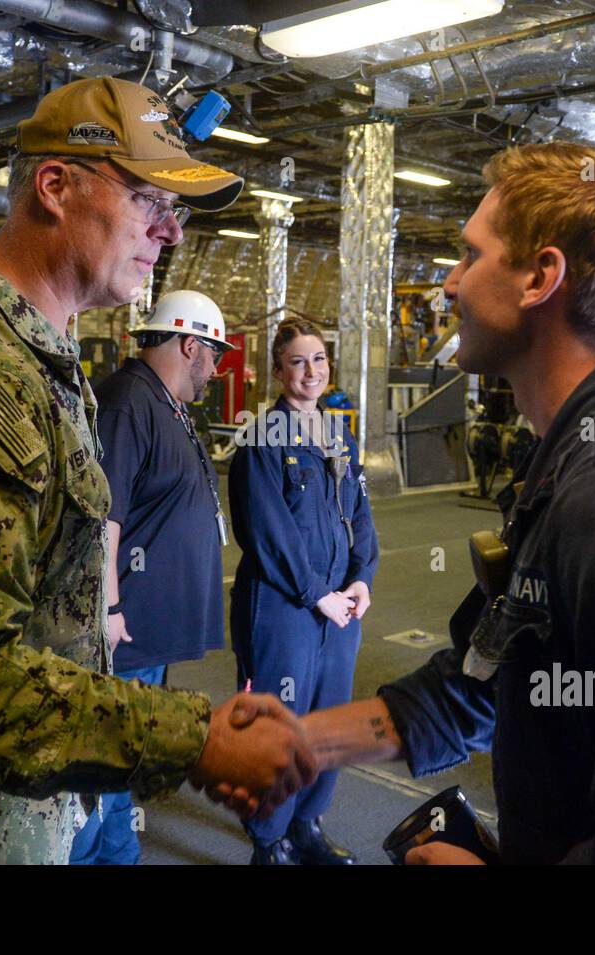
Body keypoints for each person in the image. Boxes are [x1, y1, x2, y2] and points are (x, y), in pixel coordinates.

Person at [0, 77, 316, 864]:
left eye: (174, 210)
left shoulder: (38, 357)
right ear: (55, 186)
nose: (170, 232)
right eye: (149, 200)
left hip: (7, 814)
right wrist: (193, 736)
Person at [295, 142, 595, 864]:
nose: (449, 284)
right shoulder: (574, 458)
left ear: (539, 276)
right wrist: (302, 744)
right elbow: (485, 671)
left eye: (470, 256)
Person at [67, 290, 231, 865]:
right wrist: (109, 612)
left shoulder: (167, 404)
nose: (216, 370)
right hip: (126, 629)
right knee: (106, 756)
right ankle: (104, 858)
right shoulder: (128, 404)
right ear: (191, 345)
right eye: (214, 356)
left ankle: (119, 854)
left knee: (125, 754)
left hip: (147, 629)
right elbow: (103, 521)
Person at [228, 318, 379, 864]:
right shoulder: (260, 439)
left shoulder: (340, 437)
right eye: (298, 361)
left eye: (318, 360)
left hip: (340, 609)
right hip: (284, 607)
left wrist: (362, 577)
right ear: (277, 371)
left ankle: (307, 823)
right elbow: (268, 532)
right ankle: (269, 841)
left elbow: (360, 515)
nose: (310, 371)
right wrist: (318, 593)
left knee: (328, 721)